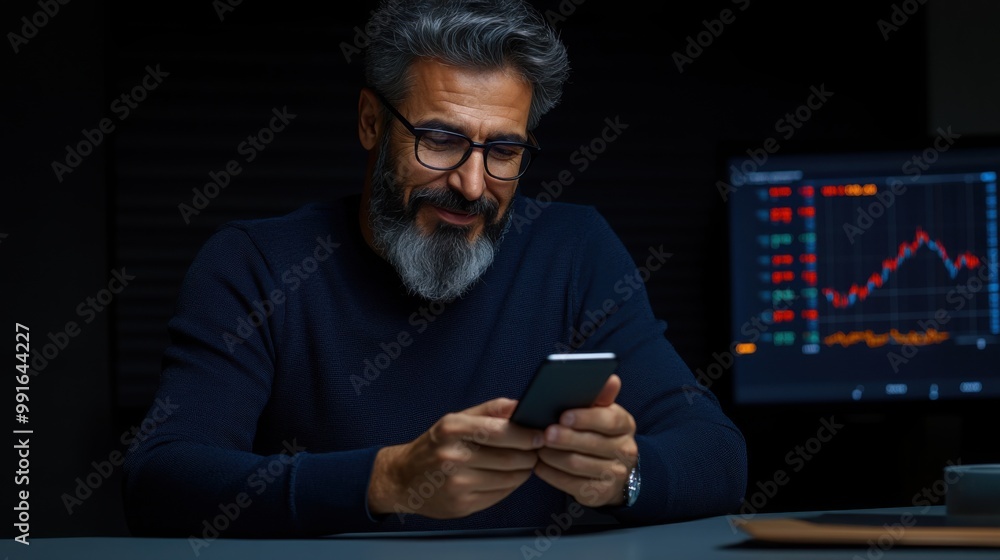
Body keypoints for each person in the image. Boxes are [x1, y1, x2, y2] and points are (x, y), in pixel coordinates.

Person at [122, 0, 747, 539]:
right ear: (371, 122)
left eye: (503, 150)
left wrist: (624, 477)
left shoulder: (575, 250)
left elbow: (719, 456)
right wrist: (389, 480)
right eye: (441, 140)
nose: (472, 185)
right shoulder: (254, 265)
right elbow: (161, 479)